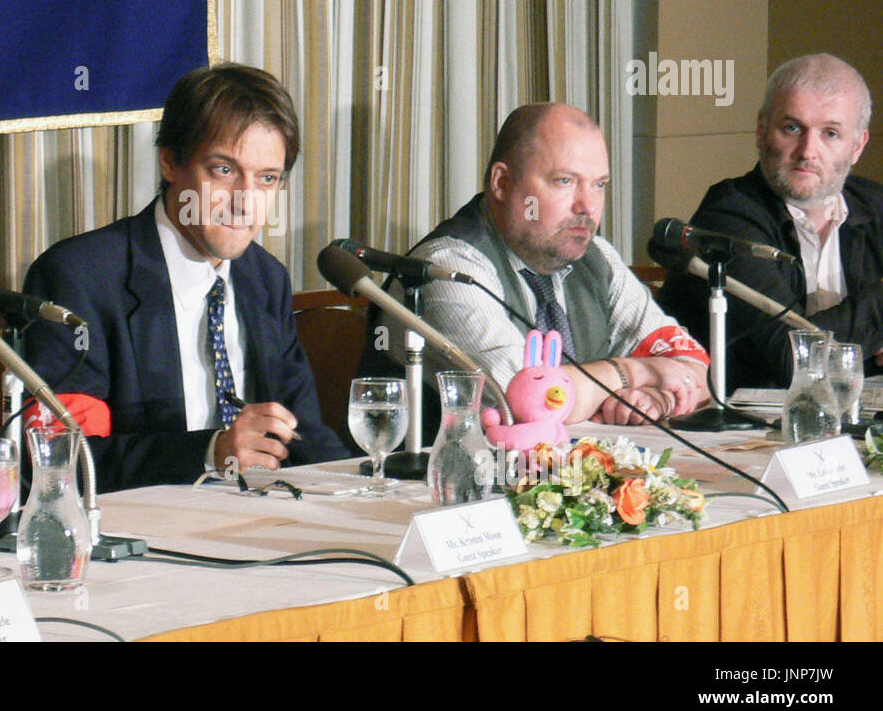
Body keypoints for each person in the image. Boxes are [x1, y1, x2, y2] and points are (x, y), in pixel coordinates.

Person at [21, 63, 349, 491]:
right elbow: (63, 461)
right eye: (224, 171)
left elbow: (300, 432)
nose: (246, 203)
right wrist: (210, 453)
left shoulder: (264, 278)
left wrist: (365, 488)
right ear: (170, 162)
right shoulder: (80, 278)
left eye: (267, 179)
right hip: (138, 538)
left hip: (259, 523)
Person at [360, 103, 711, 440]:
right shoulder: (446, 270)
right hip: (443, 492)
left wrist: (659, 398)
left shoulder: (597, 260)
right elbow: (528, 401)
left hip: (568, 483)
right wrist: (637, 371)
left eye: (599, 184)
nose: (587, 207)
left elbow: (695, 368)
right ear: (501, 182)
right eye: (564, 181)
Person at [657, 53, 882, 390]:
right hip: (737, 433)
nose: (808, 151)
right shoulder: (728, 216)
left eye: (830, 133)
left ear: (857, 145)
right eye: (792, 128)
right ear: (762, 130)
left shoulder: (875, 205)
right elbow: (792, 361)